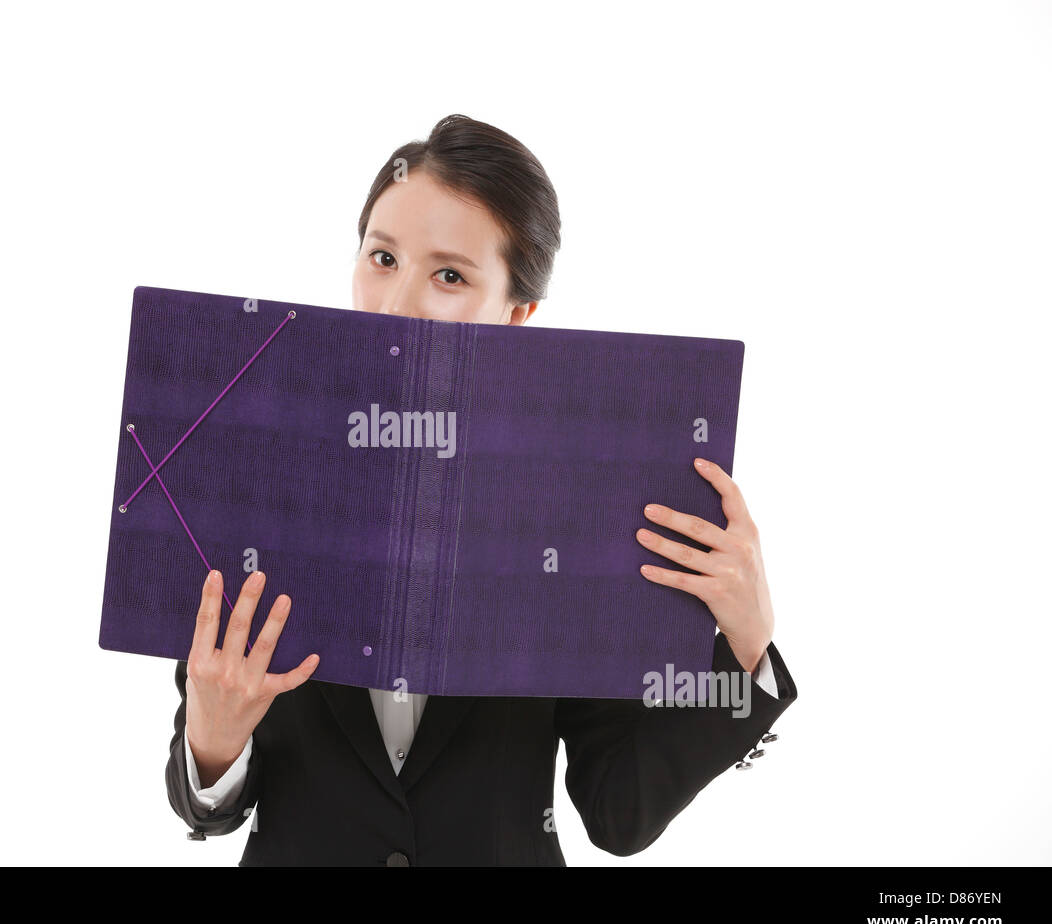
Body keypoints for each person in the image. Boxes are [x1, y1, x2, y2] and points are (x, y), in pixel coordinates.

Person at [166, 114, 797, 865]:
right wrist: (212, 740)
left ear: (516, 313)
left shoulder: (579, 505)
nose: (396, 305)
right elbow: (209, 800)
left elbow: (619, 810)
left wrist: (748, 648)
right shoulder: (253, 461)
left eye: (450, 276)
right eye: (383, 257)